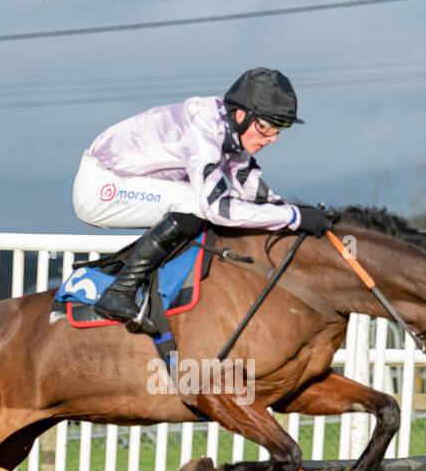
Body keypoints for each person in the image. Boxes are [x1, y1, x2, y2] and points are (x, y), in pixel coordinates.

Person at [72, 67, 331, 329]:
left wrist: (301, 212)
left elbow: (255, 193)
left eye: (281, 128)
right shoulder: (202, 131)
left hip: (127, 182)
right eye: (267, 126)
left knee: (198, 206)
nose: (273, 138)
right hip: (101, 187)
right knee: (196, 204)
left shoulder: (230, 132)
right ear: (242, 115)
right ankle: (120, 291)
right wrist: (292, 217)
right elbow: (219, 207)